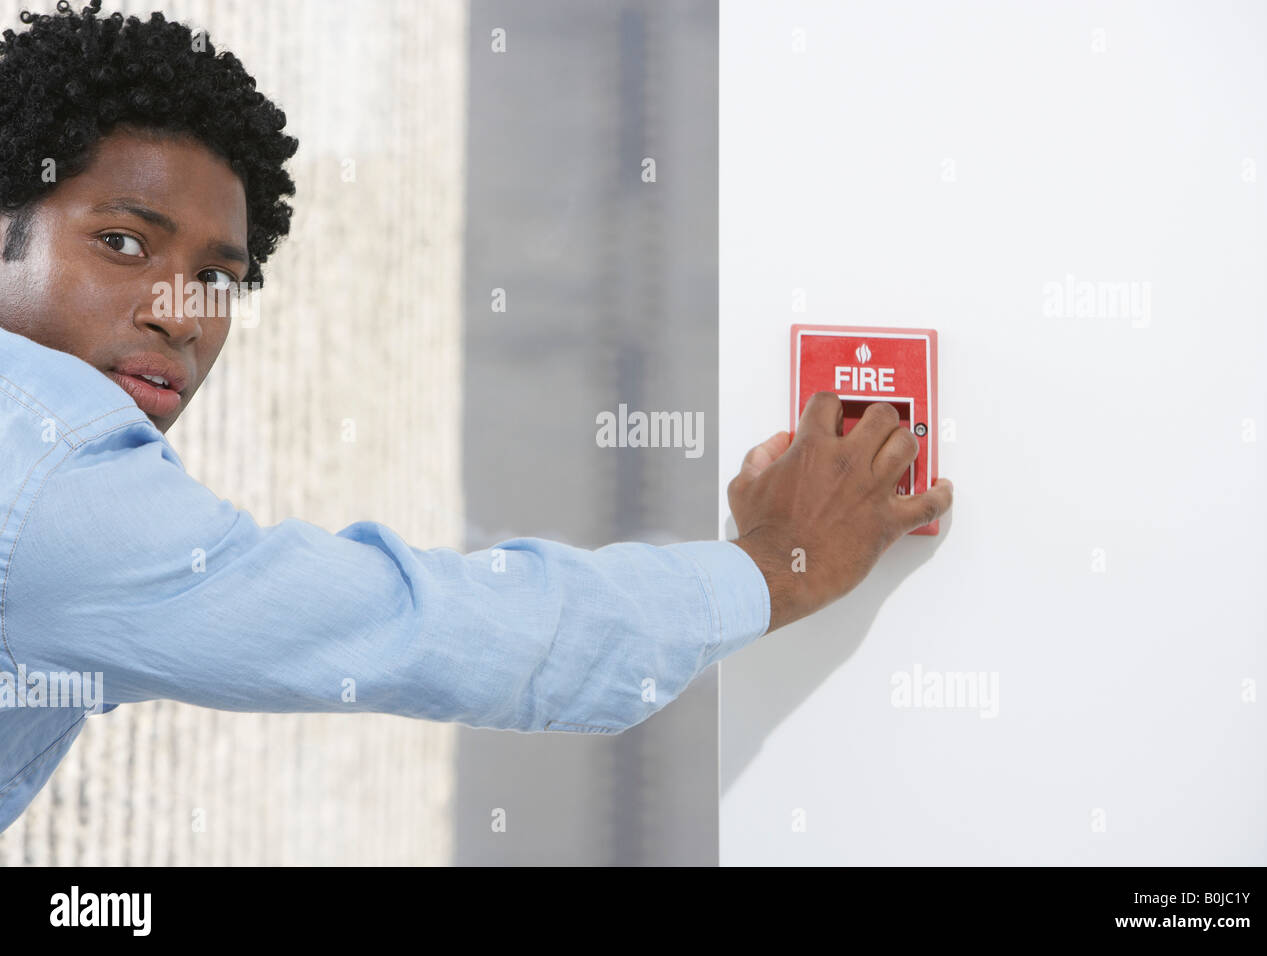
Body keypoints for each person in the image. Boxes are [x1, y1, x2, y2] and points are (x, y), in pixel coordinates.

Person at [0, 0, 952, 833]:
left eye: (218, 278)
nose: (182, 313)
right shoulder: (50, 477)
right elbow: (422, 629)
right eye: (121, 243)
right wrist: (778, 562)